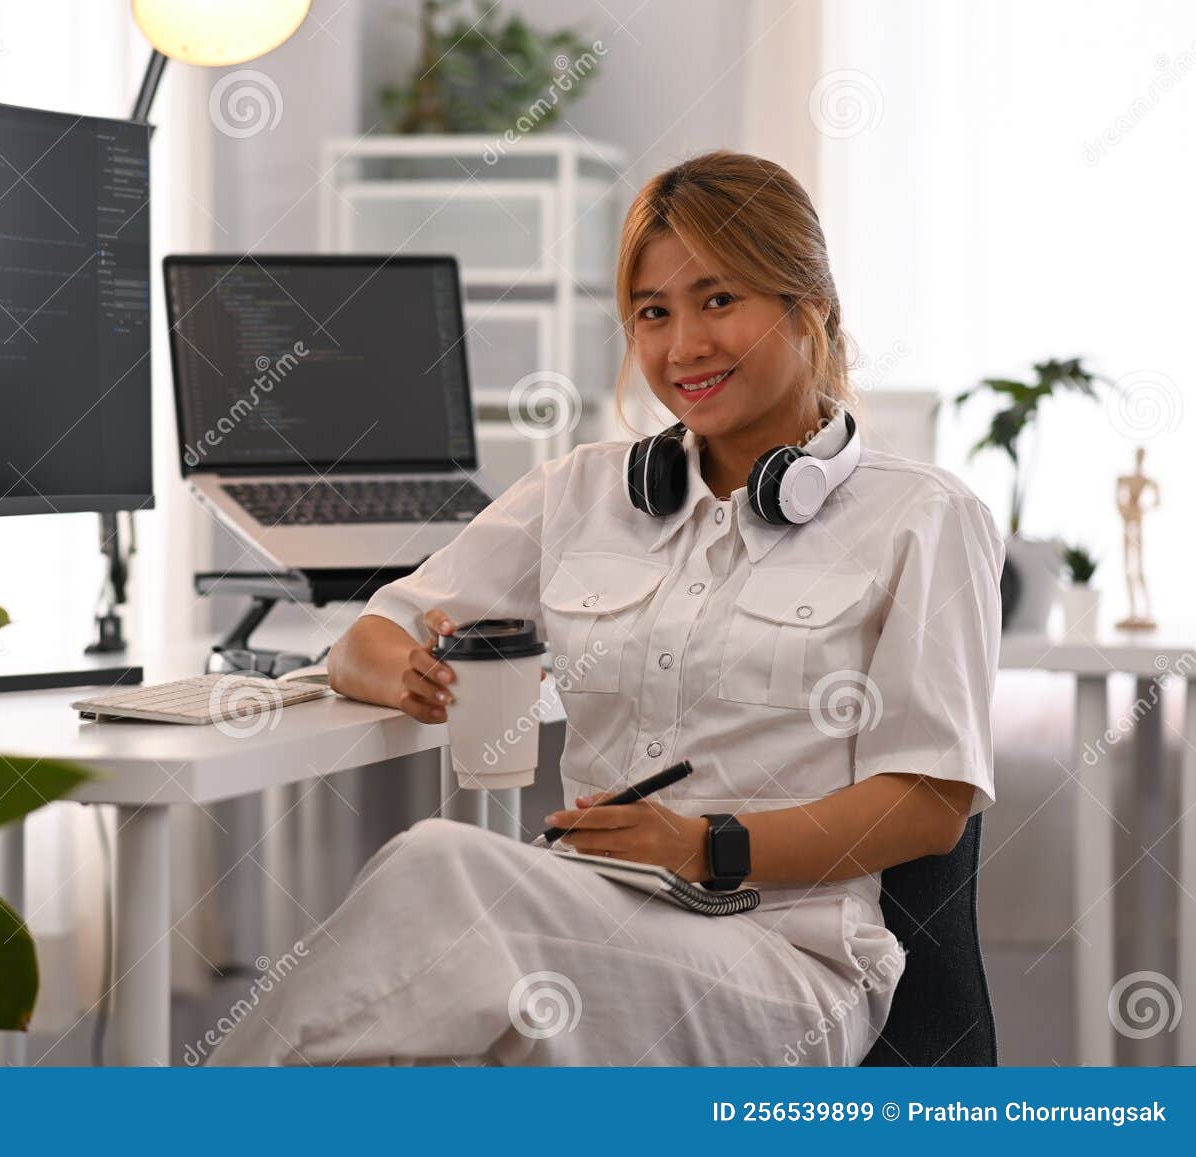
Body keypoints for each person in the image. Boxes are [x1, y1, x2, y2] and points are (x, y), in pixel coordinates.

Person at [206, 150, 1002, 1067]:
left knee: (444, 869)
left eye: (718, 301)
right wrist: (403, 668)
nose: (682, 347)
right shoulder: (581, 493)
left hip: (789, 966)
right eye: (652, 314)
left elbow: (928, 804)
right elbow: (369, 634)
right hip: (592, 911)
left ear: (807, 306)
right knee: (431, 1047)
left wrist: (705, 845)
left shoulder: (925, 516)